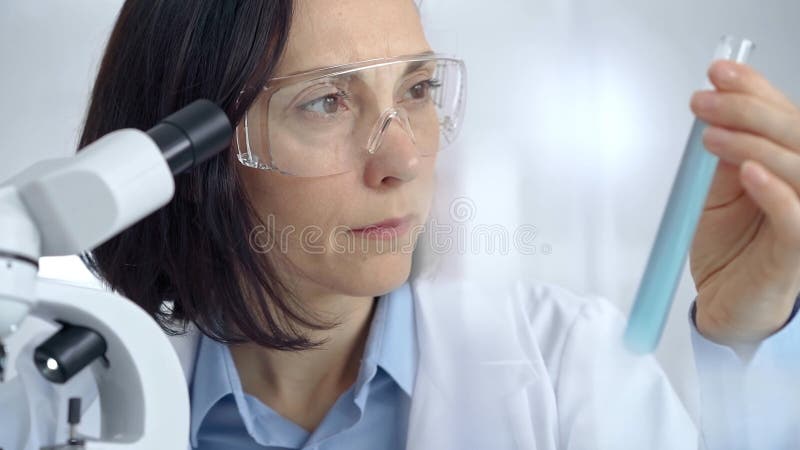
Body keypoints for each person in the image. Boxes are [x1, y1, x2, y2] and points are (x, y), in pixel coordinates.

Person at [4, 0, 800, 449]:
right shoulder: (44, 403)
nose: (403, 159)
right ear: (196, 154)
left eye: (417, 91)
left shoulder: (568, 368)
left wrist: (744, 345)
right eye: (326, 102)